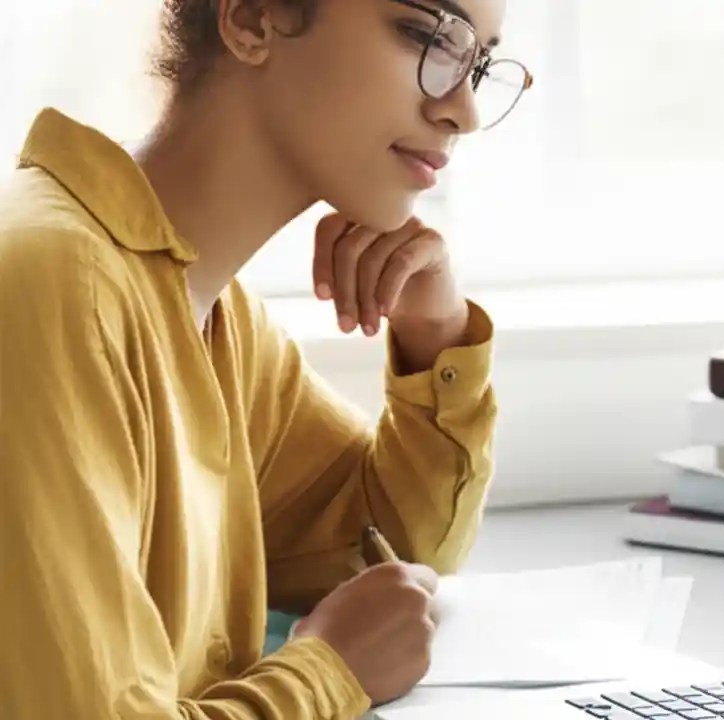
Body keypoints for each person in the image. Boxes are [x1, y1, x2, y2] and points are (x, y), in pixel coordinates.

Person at [0, 0, 530, 717]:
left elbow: (392, 556)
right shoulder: (58, 286)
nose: (462, 110)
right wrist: (328, 673)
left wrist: (434, 332)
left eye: (479, 63)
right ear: (251, 18)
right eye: (427, 35)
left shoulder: (211, 312)